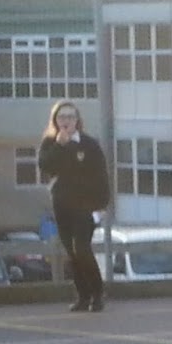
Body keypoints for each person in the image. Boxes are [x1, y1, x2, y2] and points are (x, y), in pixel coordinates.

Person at [38, 100, 110, 312]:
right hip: (62, 204)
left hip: (85, 205)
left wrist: (101, 205)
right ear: (55, 120)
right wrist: (60, 145)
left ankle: (97, 293)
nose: (66, 121)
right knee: (71, 252)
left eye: (70, 116)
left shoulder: (89, 144)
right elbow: (46, 166)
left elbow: (101, 175)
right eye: (62, 117)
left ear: (77, 120)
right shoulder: (50, 143)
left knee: (82, 248)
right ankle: (83, 296)